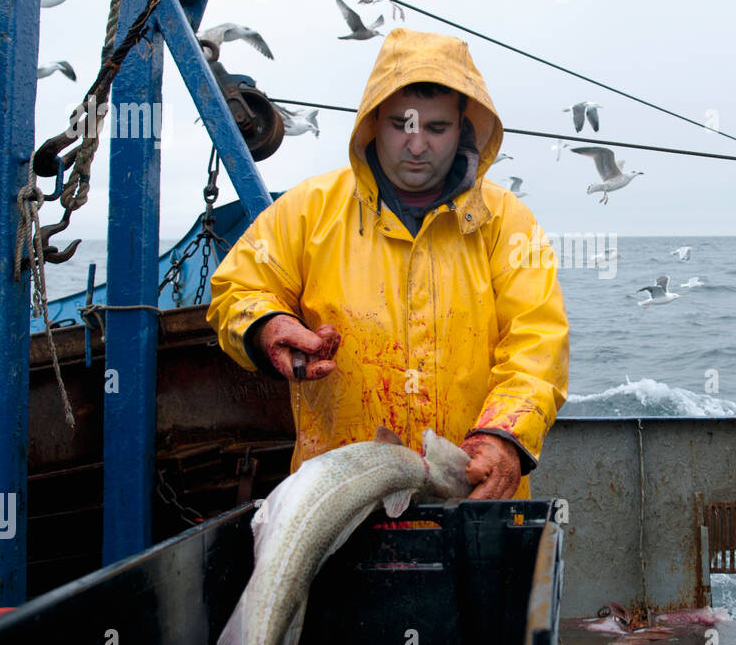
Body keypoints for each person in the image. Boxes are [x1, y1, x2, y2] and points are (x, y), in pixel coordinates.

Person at [207, 28, 569, 500]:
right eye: (402, 124)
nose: (417, 145)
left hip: (472, 495)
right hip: (337, 501)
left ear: (464, 126)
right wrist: (267, 327)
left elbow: (537, 343)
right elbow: (237, 290)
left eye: (437, 128)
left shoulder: (507, 221)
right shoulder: (306, 209)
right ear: (374, 121)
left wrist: (505, 436)